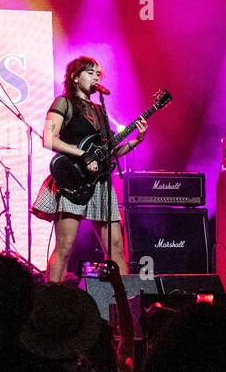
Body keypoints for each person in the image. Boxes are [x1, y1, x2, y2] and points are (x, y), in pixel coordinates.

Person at [33, 57, 146, 282]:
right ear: (75, 77)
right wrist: (82, 154)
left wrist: (136, 141)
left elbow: (109, 153)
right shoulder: (63, 103)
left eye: (98, 74)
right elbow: (48, 139)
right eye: (91, 72)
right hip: (73, 179)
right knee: (65, 247)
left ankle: (120, 306)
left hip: (100, 183)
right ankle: (51, 300)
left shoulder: (99, 110)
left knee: (116, 248)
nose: (97, 77)